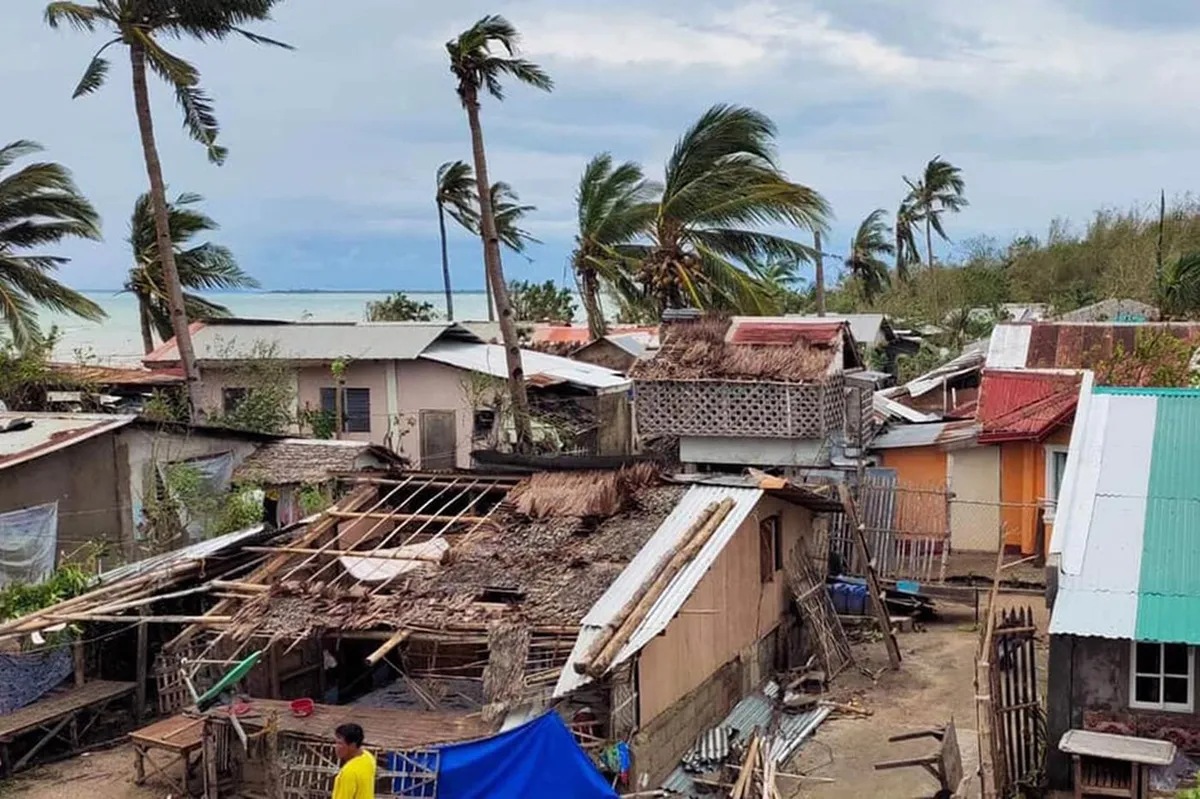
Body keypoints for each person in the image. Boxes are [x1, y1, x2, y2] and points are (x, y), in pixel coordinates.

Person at [332, 723, 375, 799]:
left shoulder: (348, 772)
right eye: (336, 743)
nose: (336, 747)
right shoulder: (368, 757)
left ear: (352, 745)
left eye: (340, 743)